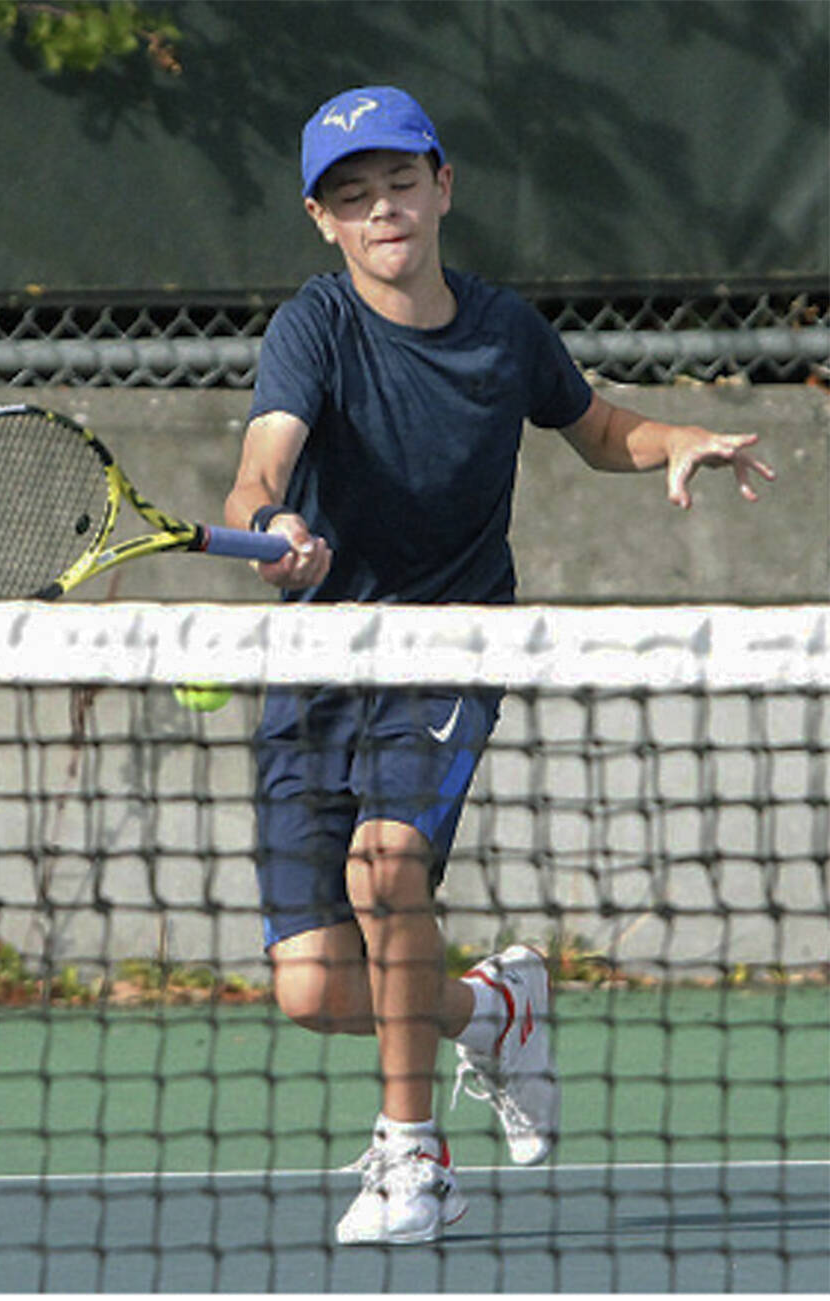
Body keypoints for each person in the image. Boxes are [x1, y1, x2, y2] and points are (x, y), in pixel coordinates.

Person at [223, 86, 775, 1246]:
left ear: (443, 188)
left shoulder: (503, 329)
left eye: (400, 183)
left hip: (451, 642)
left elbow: (592, 424)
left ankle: (412, 1155)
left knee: (388, 866)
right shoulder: (312, 328)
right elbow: (260, 461)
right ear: (323, 219)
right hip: (320, 656)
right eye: (353, 195)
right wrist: (269, 521)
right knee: (314, 990)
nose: (383, 209)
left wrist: (671, 438)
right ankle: (494, 1008)